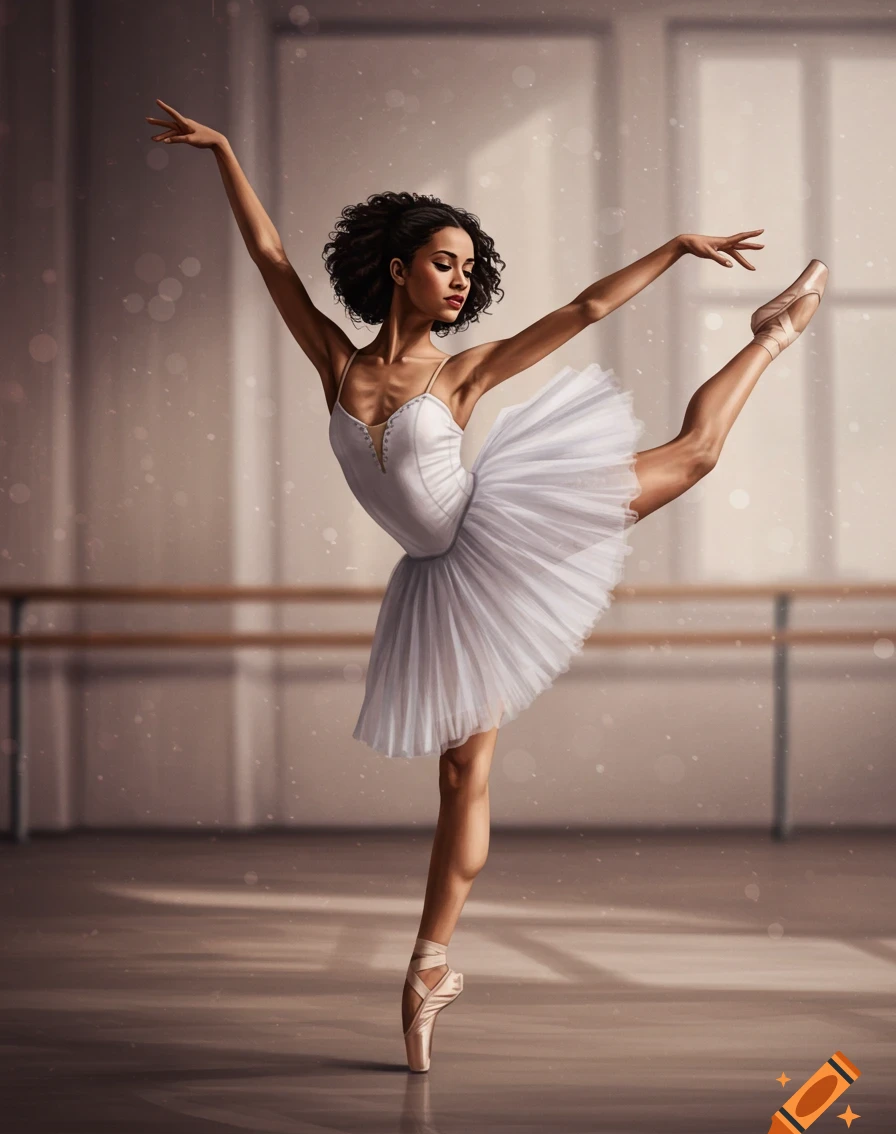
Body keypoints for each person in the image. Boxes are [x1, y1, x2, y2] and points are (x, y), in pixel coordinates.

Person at [147, 99, 828, 1073]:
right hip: (442, 580)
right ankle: (430, 965)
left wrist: (675, 246)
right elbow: (268, 257)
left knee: (694, 453)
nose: (461, 280)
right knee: (461, 775)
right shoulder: (337, 364)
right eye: (444, 262)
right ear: (396, 268)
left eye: (470, 268)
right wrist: (220, 150)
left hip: (504, 524)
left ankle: (770, 333)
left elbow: (582, 311)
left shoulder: (459, 376)